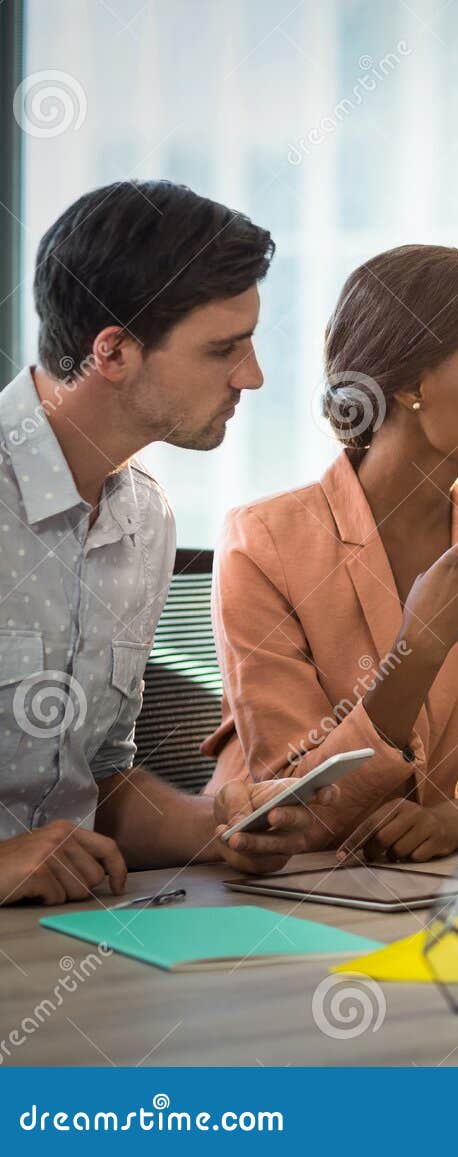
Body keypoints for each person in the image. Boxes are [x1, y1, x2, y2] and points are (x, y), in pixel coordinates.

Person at [0, 180, 334, 906]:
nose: (252, 375)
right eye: (225, 349)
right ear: (113, 352)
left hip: (64, 940)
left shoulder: (144, 517)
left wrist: (219, 822)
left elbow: (99, 781)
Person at [203, 244, 458, 862]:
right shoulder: (263, 543)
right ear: (411, 384)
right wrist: (419, 649)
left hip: (414, 890)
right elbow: (293, 801)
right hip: (271, 893)